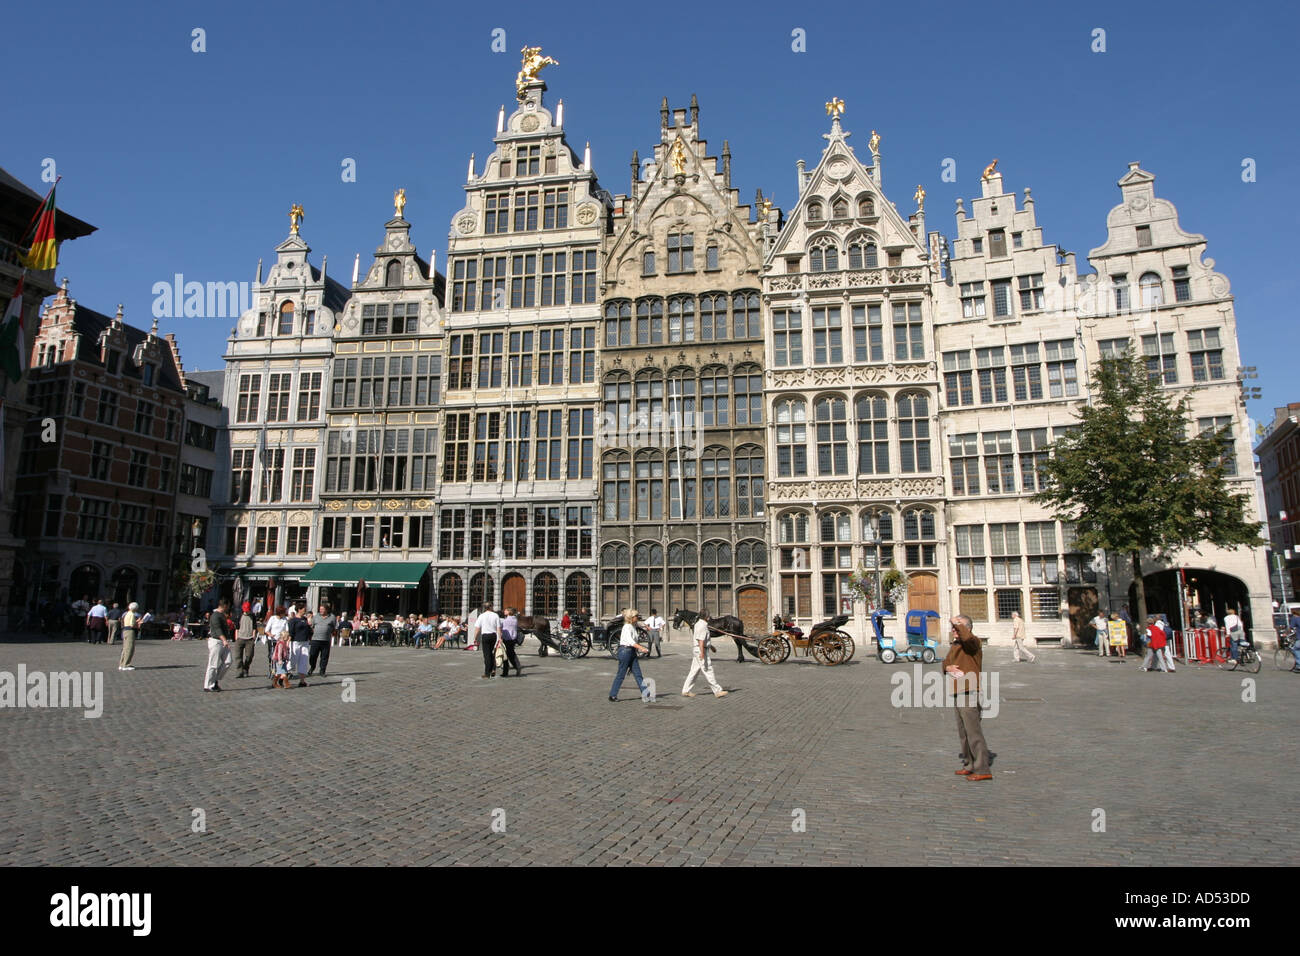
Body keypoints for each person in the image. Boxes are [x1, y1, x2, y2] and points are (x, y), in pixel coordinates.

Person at [944, 615, 991, 782]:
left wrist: (957, 623)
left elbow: (968, 638)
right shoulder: (955, 645)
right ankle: (969, 764)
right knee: (963, 732)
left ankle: (982, 768)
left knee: (973, 732)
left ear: (967, 629)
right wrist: (947, 667)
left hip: (970, 690)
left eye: (957, 627)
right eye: (953, 628)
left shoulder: (974, 643)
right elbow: (946, 662)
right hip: (957, 691)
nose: (953, 630)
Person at [681, 610, 727, 699]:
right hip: (700, 650)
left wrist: (711, 646)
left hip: (698, 648)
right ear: (706, 617)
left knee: (694, 671)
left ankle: (685, 690)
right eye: (708, 616)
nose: (709, 618)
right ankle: (717, 691)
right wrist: (702, 653)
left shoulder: (698, 624)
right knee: (708, 669)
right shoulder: (702, 626)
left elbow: (703, 639)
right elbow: (701, 640)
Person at [608, 609, 651, 702]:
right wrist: (641, 648)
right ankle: (612, 695)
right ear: (631, 618)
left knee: (638, 674)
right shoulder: (627, 627)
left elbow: (637, 634)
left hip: (631, 652)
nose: (637, 617)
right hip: (625, 651)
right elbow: (630, 641)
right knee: (621, 674)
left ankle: (646, 693)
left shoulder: (633, 626)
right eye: (636, 616)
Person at [204, 597, 234, 692]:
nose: (229, 608)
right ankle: (208, 685)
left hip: (222, 641)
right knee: (213, 664)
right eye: (228, 606)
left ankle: (215, 679)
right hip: (216, 641)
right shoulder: (215, 615)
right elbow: (217, 629)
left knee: (228, 661)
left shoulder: (222, 615)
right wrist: (224, 640)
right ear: (224, 606)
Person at [308, 604, 335, 678]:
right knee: (312, 655)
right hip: (315, 640)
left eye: (322, 609)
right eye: (320, 609)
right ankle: (312, 667)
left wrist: (328, 632)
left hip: (326, 640)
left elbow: (334, 627)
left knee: (324, 656)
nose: (321, 611)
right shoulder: (316, 617)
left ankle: (322, 670)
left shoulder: (332, 617)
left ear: (326, 610)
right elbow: (312, 626)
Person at [288, 607, 313, 687]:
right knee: (292, 660)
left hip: (305, 642)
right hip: (295, 642)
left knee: (304, 661)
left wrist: (310, 625)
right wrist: (288, 642)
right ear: (299, 610)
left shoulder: (305, 619)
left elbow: (309, 630)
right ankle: (283, 678)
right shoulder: (293, 620)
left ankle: (302, 681)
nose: (305, 611)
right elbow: (291, 631)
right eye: (303, 609)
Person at [476, 604, 502, 679]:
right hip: (493, 636)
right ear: (491, 607)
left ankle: (487, 673)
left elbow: (477, 628)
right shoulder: (495, 615)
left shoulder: (481, 616)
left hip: (485, 636)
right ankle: (493, 669)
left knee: (487, 655)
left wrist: (475, 637)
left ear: (484, 608)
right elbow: (498, 628)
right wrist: (499, 637)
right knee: (492, 653)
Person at [233, 603, 257, 678]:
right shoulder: (239, 615)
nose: (246, 612)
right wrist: (236, 638)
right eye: (245, 610)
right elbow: (237, 627)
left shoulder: (252, 616)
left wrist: (253, 637)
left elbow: (254, 627)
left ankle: (246, 669)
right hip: (240, 638)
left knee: (249, 656)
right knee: (238, 656)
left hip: (249, 639)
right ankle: (239, 671)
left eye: (247, 610)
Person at [118, 602, 141, 671]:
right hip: (130, 631)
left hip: (125, 630)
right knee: (129, 648)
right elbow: (132, 625)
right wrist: (138, 622)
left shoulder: (127, 613)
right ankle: (126, 664)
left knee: (125, 648)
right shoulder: (132, 614)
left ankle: (122, 664)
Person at [500, 607, 522, 676]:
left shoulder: (506, 620)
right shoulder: (515, 619)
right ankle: (516, 667)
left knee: (507, 655)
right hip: (513, 639)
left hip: (507, 639)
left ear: (509, 612)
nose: (504, 611)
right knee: (511, 653)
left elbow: (501, 627)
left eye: (506, 610)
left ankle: (508, 670)